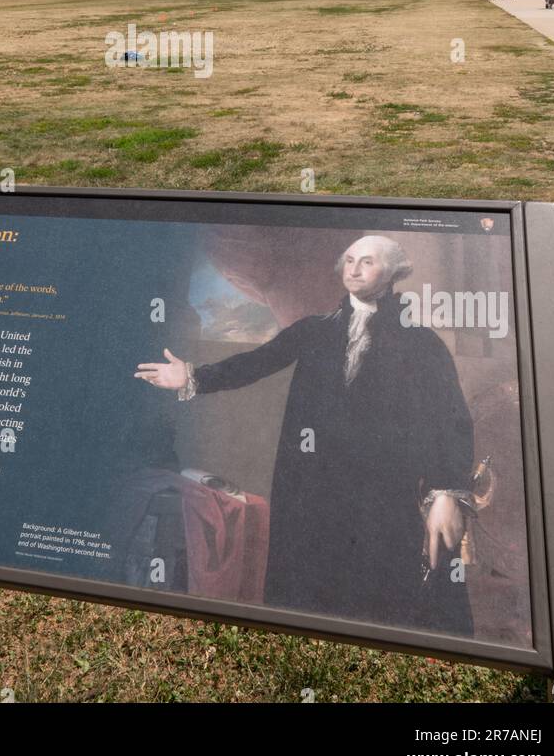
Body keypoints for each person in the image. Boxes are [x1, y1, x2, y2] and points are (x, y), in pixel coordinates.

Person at [135, 235, 474, 634]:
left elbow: (450, 419)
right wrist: (191, 376)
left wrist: (447, 492)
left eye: (368, 261)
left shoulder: (421, 342)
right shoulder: (314, 330)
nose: (355, 268)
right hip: (314, 490)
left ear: (394, 273)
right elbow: (255, 363)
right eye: (349, 260)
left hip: (380, 494)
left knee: (381, 600)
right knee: (311, 590)